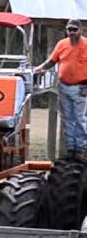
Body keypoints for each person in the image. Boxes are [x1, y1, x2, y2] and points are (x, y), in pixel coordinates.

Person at [34, 19, 87, 157]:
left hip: (81, 87)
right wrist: (39, 69)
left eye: (74, 29)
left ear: (80, 30)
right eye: (69, 29)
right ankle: (71, 148)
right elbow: (52, 61)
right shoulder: (62, 44)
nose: (71, 32)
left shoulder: (86, 44)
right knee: (67, 118)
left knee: (80, 118)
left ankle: (82, 148)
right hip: (64, 86)